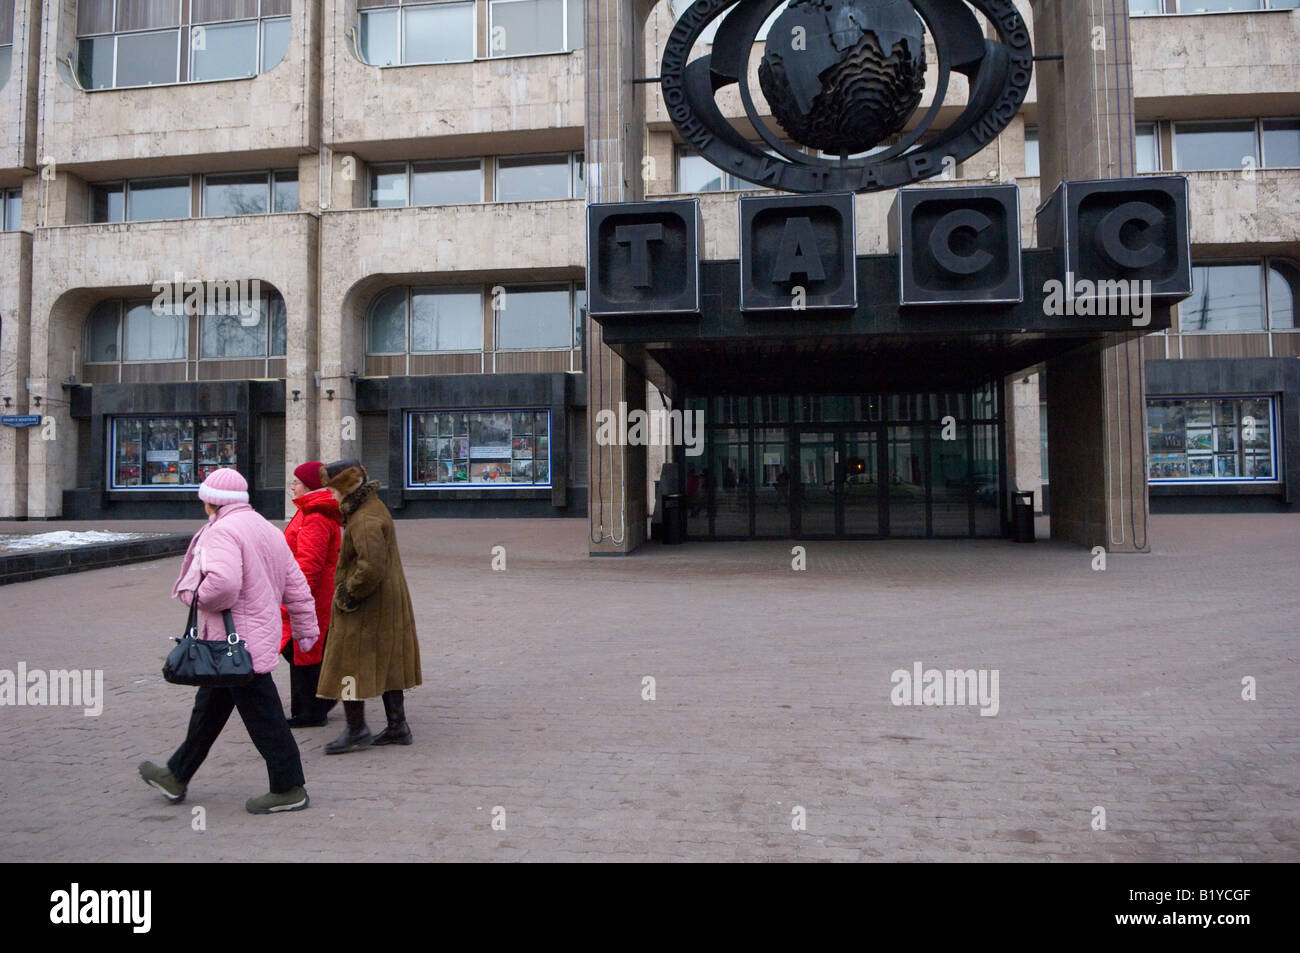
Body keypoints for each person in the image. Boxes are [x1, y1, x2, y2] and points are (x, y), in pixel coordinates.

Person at [139, 468, 320, 814]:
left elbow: (221, 587)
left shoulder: (221, 532)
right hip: (244, 645)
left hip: (235, 646)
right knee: (208, 710)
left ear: (212, 501)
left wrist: (194, 594)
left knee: (264, 717)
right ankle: (176, 775)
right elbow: (295, 584)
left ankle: (288, 788)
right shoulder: (265, 528)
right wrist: (305, 628)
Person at [315, 459, 422, 754]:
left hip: (368, 602)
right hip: (387, 599)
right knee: (389, 657)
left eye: (334, 491)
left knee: (347, 661)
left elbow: (370, 567)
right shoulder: (372, 506)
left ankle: (356, 729)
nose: (332, 497)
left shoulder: (363, 519)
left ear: (346, 489)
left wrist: (348, 594)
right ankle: (397, 726)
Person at [279, 461, 343, 727]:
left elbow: (309, 564)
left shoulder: (314, 517)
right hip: (311, 596)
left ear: (308, 487)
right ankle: (314, 705)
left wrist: (295, 598)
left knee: (303, 650)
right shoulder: (308, 512)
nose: (291, 487)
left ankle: (313, 710)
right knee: (303, 650)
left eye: (295, 482)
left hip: (311, 598)